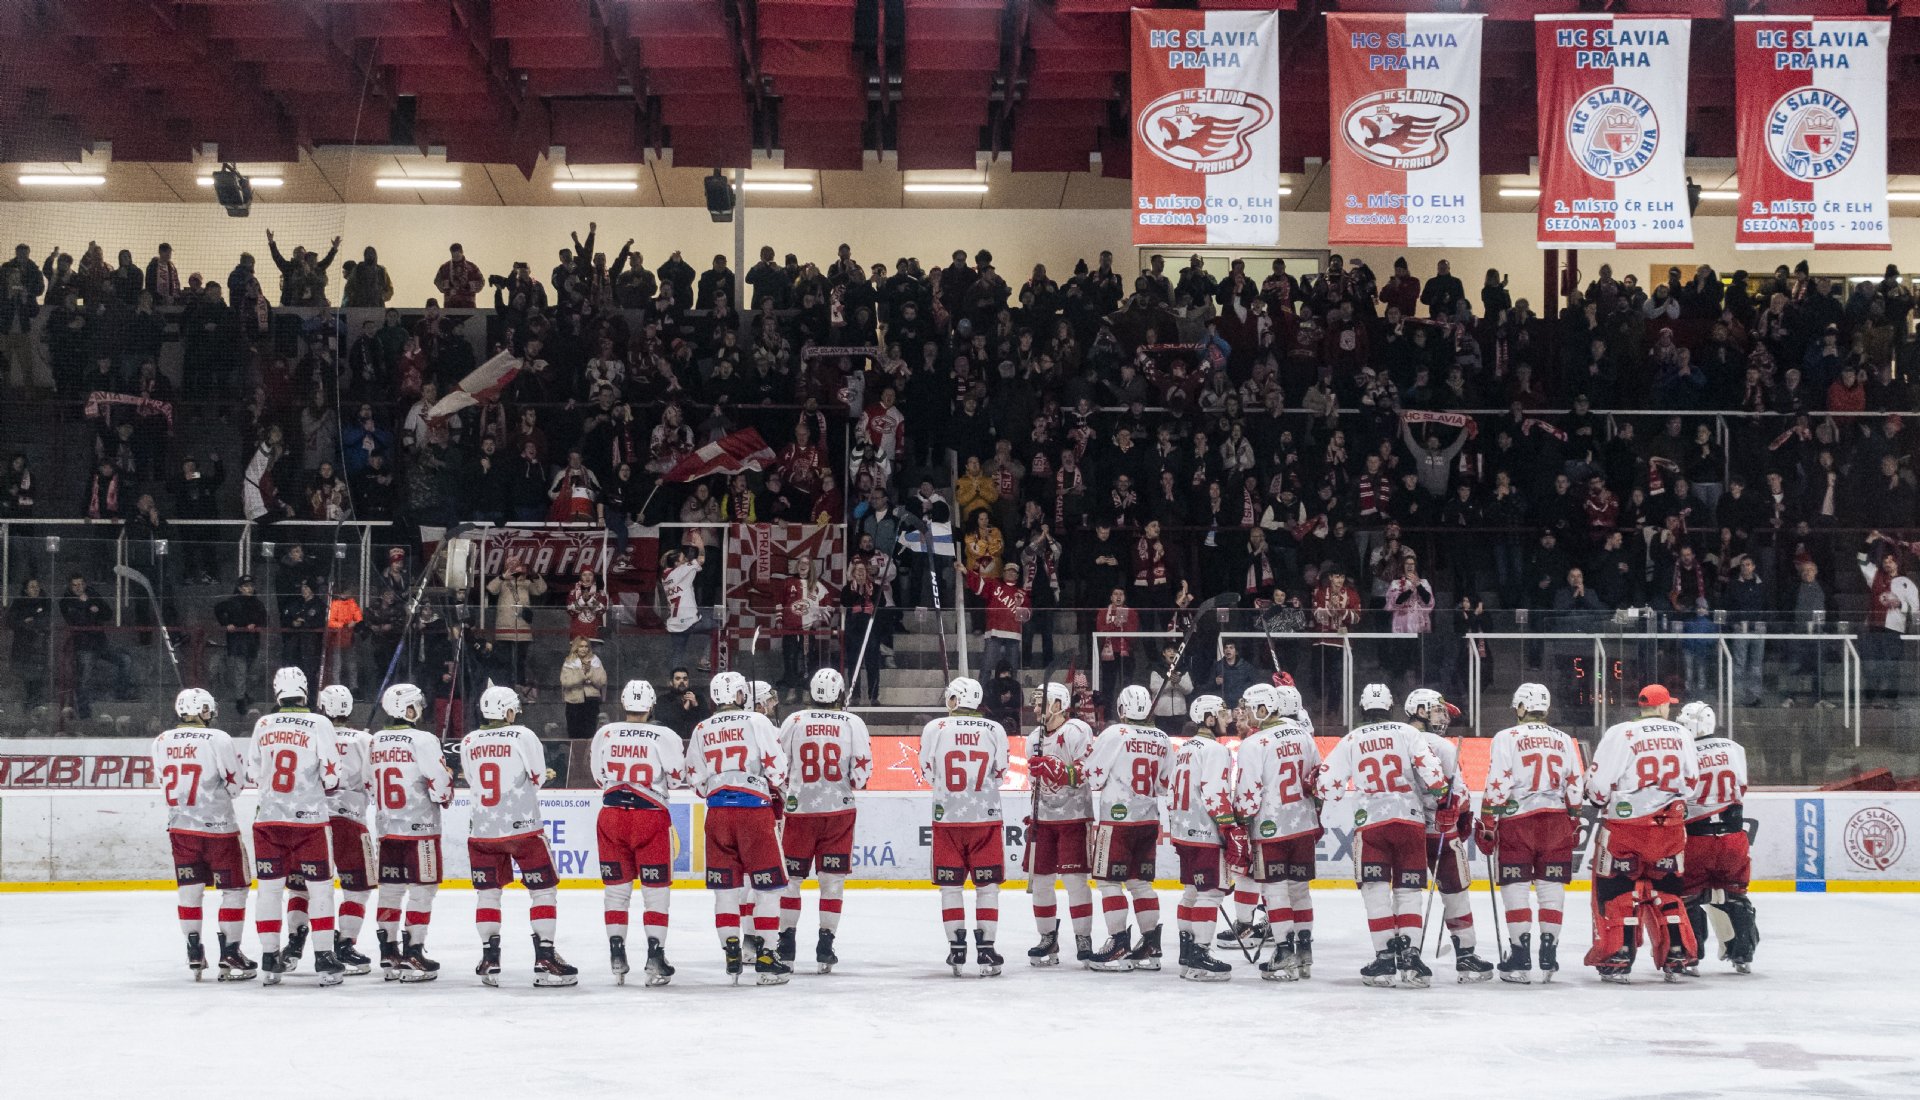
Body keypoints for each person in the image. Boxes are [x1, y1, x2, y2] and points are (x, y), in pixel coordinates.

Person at [1317, 683, 1445, 987]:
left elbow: (1326, 788)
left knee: (1375, 892)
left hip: (1371, 824)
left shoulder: (1351, 739)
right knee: (1409, 891)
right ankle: (1411, 959)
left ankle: (1385, 960)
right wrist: (1443, 798)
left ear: (1362, 709)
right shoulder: (1408, 732)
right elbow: (1436, 778)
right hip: (1410, 820)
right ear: (1392, 707)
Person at [1582, 684, 1700, 983]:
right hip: (1670, 830)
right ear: (1663, 707)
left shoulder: (1620, 733)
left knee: (1616, 890)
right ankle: (1676, 953)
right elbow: (1691, 782)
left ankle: (1617, 955)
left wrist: (1597, 799)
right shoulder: (1682, 734)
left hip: (1626, 828)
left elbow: (1599, 783)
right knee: (1667, 891)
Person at [459, 685, 576, 987]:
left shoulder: (469, 740)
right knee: (543, 891)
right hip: (523, 829)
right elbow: (538, 776)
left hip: (482, 830)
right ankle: (545, 957)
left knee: (488, 894)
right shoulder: (522, 735)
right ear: (508, 711)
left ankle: (489, 958)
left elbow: (472, 780)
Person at [686, 672, 792, 985]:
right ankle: (766, 956)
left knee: (726, 890)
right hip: (754, 811)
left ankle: (731, 949)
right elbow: (778, 768)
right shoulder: (758, 722)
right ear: (740, 696)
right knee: (768, 887)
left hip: (717, 813)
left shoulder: (701, 728)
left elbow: (696, 778)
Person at [1478, 683, 1584, 984]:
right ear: (1546, 708)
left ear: (1521, 707)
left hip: (1518, 822)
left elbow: (1499, 781)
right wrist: (1574, 820)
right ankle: (1549, 952)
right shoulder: (1564, 739)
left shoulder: (1506, 737)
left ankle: (1520, 955)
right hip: (1556, 821)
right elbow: (1575, 784)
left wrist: (1488, 821)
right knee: (1552, 888)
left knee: (1516, 886)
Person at [246, 667, 344, 985]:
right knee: (320, 890)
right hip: (309, 820)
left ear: (277, 691)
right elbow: (331, 777)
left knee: (270, 891)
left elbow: (253, 773)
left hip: (269, 819)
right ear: (305, 691)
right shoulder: (320, 723)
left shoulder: (263, 723)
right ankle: (325, 958)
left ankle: (270, 957)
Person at [152, 687, 255, 981]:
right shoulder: (218, 738)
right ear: (203, 711)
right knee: (235, 889)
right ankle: (230, 952)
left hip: (180, 827)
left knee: (190, 889)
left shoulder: (160, 741)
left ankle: (193, 951)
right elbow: (235, 784)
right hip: (219, 828)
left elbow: (162, 781)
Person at [775, 668, 873, 973]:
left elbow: (778, 768)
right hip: (838, 812)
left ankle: (786, 942)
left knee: (791, 881)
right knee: (832, 883)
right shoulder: (853, 723)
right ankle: (825, 944)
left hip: (799, 812)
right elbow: (861, 775)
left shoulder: (794, 720)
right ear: (841, 693)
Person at [591, 680, 687, 986]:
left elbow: (598, 777)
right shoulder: (665, 735)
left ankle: (617, 953)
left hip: (611, 816)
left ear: (623, 703)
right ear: (651, 705)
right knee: (655, 893)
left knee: (616, 892)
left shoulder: (604, 733)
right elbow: (675, 780)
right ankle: (655, 956)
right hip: (650, 816)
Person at [918, 676, 1010, 977]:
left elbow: (927, 772)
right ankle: (986, 950)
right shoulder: (995, 729)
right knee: (988, 888)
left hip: (948, 818)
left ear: (955, 700)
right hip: (986, 816)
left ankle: (956, 950)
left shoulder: (935, 728)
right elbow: (1000, 773)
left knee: (950, 888)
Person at [1232, 683, 1322, 981]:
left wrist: (1239, 820)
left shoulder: (1254, 743)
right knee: (1299, 889)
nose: (1243, 713)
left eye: (1248, 708)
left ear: (1263, 709)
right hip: (1303, 825)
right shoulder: (1304, 736)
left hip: (1270, 827)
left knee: (1275, 890)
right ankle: (1304, 951)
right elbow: (1318, 781)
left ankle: (1284, 951)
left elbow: (1248, 794)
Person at [1403, 687, 1493, 981]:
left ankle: (1404, 953)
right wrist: (1465, 815)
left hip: (1408, 828)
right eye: (1437, 710)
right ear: (1419, 710)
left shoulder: (1397, 740)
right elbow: (1460, 793)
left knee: (1405, 895)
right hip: (1441, 832)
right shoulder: (1441, 746)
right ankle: (1466, 956)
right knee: (1456, 893)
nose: (1443, 717)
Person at [367, 682, 453, 981]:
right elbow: (440, 784)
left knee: (390, 890)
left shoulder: (375, 740)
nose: (421, 709)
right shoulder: (424, 739)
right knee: (421, 891)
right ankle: (414, 952)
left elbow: (369, 784)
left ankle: (388, 952)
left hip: (387, 828)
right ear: (407, 708)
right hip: (420, 829)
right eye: (416, 704)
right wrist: (445, 792)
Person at [1083, 684, 1170, 972]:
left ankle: (1118, 943)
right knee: (1140, 883)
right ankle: (1150, 944)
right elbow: (1163, 784)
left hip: (1117, 822)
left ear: (1122, 709)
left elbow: (1093, 778)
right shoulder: (1162, 738)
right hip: (1148, 820)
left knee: (1109, 882)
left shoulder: (1114, 734)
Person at [1677, 702, 1758, 976]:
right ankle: (1743, 955)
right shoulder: (1735, 748)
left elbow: (1679, 793)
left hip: (1696, 840)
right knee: (1735, 895)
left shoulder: (1683, 750)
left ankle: (1690, 957)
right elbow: (1742, 787)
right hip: (1733, 837)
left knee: (1687, 898)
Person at [1024, 682, 1096, 967]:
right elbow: (1034, 783)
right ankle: (1047, 938)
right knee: (1040, 882)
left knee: (1074, 880)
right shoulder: (1033, 737)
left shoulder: (1077, 730)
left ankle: (1083, 937)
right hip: (1043, 819)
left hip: (1073, 817)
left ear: (1057, 705)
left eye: (1040, 702)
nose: (1034, 708)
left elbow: (1087, 771)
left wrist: (1057, 770)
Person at [1165, 695, 1235, 982]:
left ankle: (1187, 955)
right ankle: (1201, 955)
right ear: (1208, 718)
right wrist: (1228, 828)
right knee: (1211, 894)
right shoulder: (1216, 750)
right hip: (1206, 831)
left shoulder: (1183, 749)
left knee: (1192, 893)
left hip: (1183, 831)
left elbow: (1170, 792)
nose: (1227, 718)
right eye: (1222, 713)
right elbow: (1215, 792)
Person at [313, 685, 376, 976]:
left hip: (314, 821)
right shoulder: (364, 739)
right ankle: (345, 944)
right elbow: (372, 783)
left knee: (310, 887)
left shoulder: (311, 732)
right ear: (349, 708)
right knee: (358, 887)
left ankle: (297, 941)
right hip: (351, 820)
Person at [1857, 534, 1919, 705]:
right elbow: (1861, 560)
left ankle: (1890, 701)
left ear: (1897, 562)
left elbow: (1916, 612)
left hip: (1894, 630)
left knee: (1891, 666)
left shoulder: (1906, 583)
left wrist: (1900, 605)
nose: (1887, 563)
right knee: (1871, 665)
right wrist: (1869, 539)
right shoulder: (1875, 576)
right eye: (1885, 560)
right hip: (1873, 628)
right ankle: (1870, 700)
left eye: (1891, 560)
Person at [485, 557, 546, 695]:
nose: (513, 567)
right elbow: (490, 588)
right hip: (504, 630)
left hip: (523, 630)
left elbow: (541, 589)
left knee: (521, 662)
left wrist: (533, 574)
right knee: (505, 662)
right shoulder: (502, 582)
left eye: (516, 564)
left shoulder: (526, 582)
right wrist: (502, 577)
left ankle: (519, 690)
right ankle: (505, 689)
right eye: (509, 564)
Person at [960, 558, 1029, 676]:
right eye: (1008, 571)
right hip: (994, 631)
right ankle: (982, 691)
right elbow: (979, 585)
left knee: (1012, 669)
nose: (1011, 573)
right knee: (987, 666)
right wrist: (966, 571)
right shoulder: (994, 584)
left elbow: (1026, 615)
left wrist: (1019, 608)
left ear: (1017, 576)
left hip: (1013, 634)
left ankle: (1012, 692)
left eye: (1014, 572)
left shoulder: (1022, 593)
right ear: (1003, 572)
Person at [213, 576, 267, 715]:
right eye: (246, 586)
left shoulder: (257, 603)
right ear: (240, 588)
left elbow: (264, 618)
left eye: (251, 586)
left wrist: (255, 624)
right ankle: (240, 700)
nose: (249, 589)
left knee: (253, 673)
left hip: (252, 643)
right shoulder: (232, 602)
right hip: (237, 643)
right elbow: (218, 609)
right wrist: (226, 624)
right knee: (240, 673)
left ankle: (244, 694)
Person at [662, 533, 712, 670]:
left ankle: (673, 681)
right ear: (677, 564)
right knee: (719, 624)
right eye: (683, 559)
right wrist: (701, 546)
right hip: (690, 622)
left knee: (678, 654)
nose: (685, 561)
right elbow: (701, 559)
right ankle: (705, 660)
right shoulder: (681, 570)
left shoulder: (665, 577)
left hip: (674, 623)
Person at [559, 636, 607, 740]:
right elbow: (565, 682)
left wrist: (590, 673)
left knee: (590, 733)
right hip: (573, 702)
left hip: (591, 701)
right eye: (581, 646)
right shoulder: (569, 662)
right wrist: (582, 676)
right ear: (576, 647)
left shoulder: (595, 661)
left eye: (586, 646)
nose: (584, 649)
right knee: (574, 733)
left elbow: (602, 681)